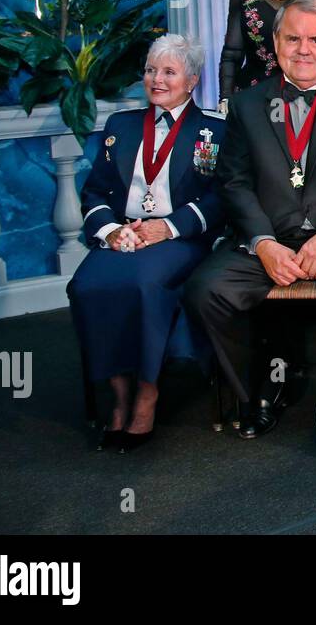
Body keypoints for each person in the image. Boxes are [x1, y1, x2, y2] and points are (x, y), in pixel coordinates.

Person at [184, 0, 316, 459]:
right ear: (276, 44)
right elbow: (234, 182)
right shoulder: (245, 105)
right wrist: (262, 243)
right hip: (270, 236)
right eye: (293, 38)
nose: (305, 49)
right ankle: (261, 387)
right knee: (206, 290)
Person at [69, 34, 225, 454]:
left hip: (177, 239)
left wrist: (169, 228)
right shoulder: (120, 126)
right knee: (86, 287)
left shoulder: (214, 129)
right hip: (124, 235)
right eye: (151, 70)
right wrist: (110, 231)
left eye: (169, 72)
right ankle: (118, 395)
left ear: (191, 81)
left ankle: (147, 392)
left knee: (143, 285)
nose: (157, 79)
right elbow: (95, 192)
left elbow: (220, 197)